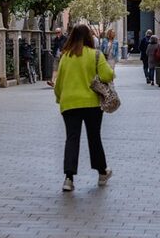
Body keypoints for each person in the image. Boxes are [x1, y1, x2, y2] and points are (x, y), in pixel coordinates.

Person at [53, 24, 115, 193]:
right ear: (89, 37)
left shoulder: (66, 56)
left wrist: (60, 98)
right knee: (94, 137)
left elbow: (59, 83)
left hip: (69, 103)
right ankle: (102, 172)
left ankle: (68, 178)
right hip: (91, 103)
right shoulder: (95, 54)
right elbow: (107, 75)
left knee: (72, 138)